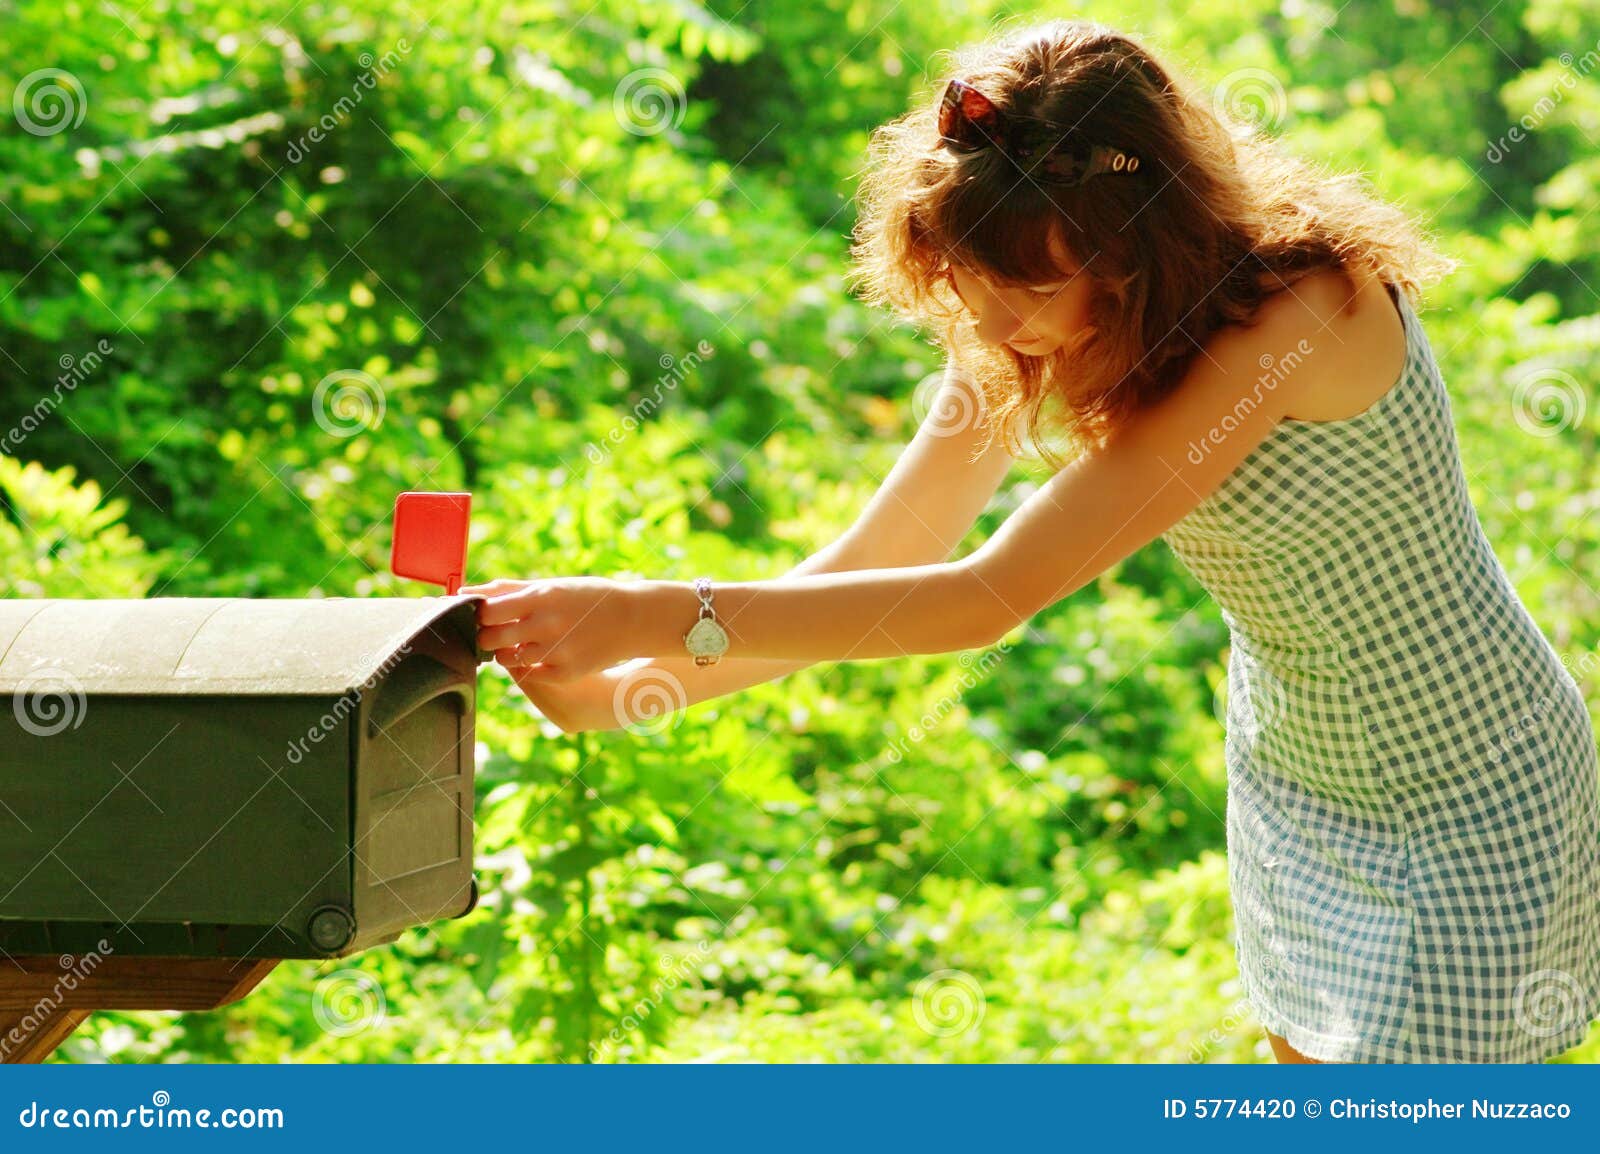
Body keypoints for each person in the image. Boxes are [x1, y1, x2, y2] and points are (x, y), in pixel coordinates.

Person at [460, 19, 1600, 1064]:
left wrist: (651, 608)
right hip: (1301, 781)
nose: (998, 327)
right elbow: (878, 566)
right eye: (972, 283)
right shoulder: (1039, 313)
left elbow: (985, 596)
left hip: (1471, 785)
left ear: (1140, 240)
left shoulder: (1303, 309)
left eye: (1029, 287)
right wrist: (630, 687)